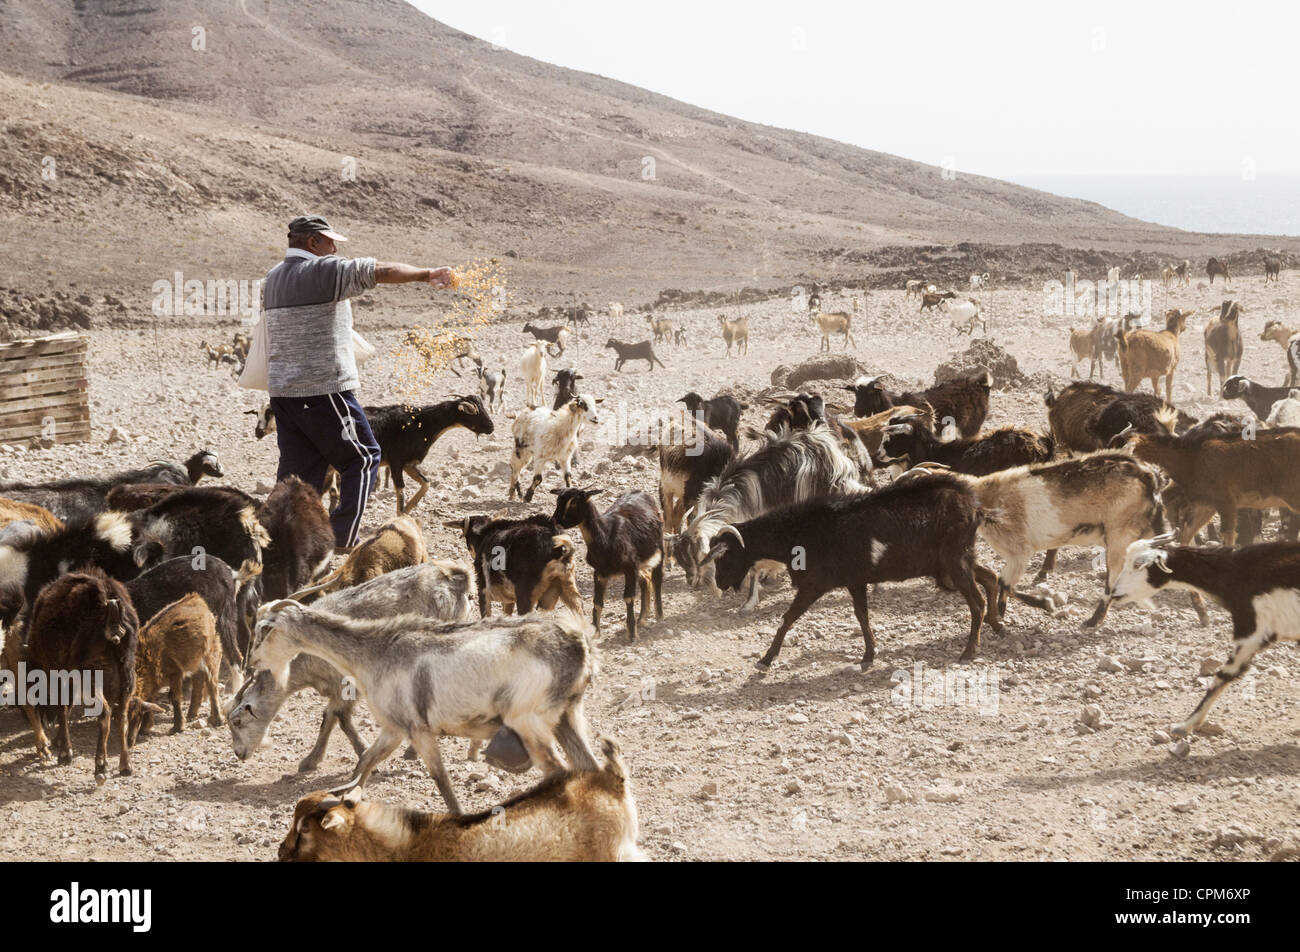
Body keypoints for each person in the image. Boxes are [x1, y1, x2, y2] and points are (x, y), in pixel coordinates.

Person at [262, 215, 453, 552]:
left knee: (298, 476)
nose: (335, 249)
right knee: (364, 457)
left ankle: (282, 542)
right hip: (322, 388)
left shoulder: (272, 279)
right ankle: (339, 538)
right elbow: (381, 271)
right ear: (313, 243)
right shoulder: (324, 270)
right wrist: (427, 274)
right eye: (330, 242)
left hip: (283, 393)